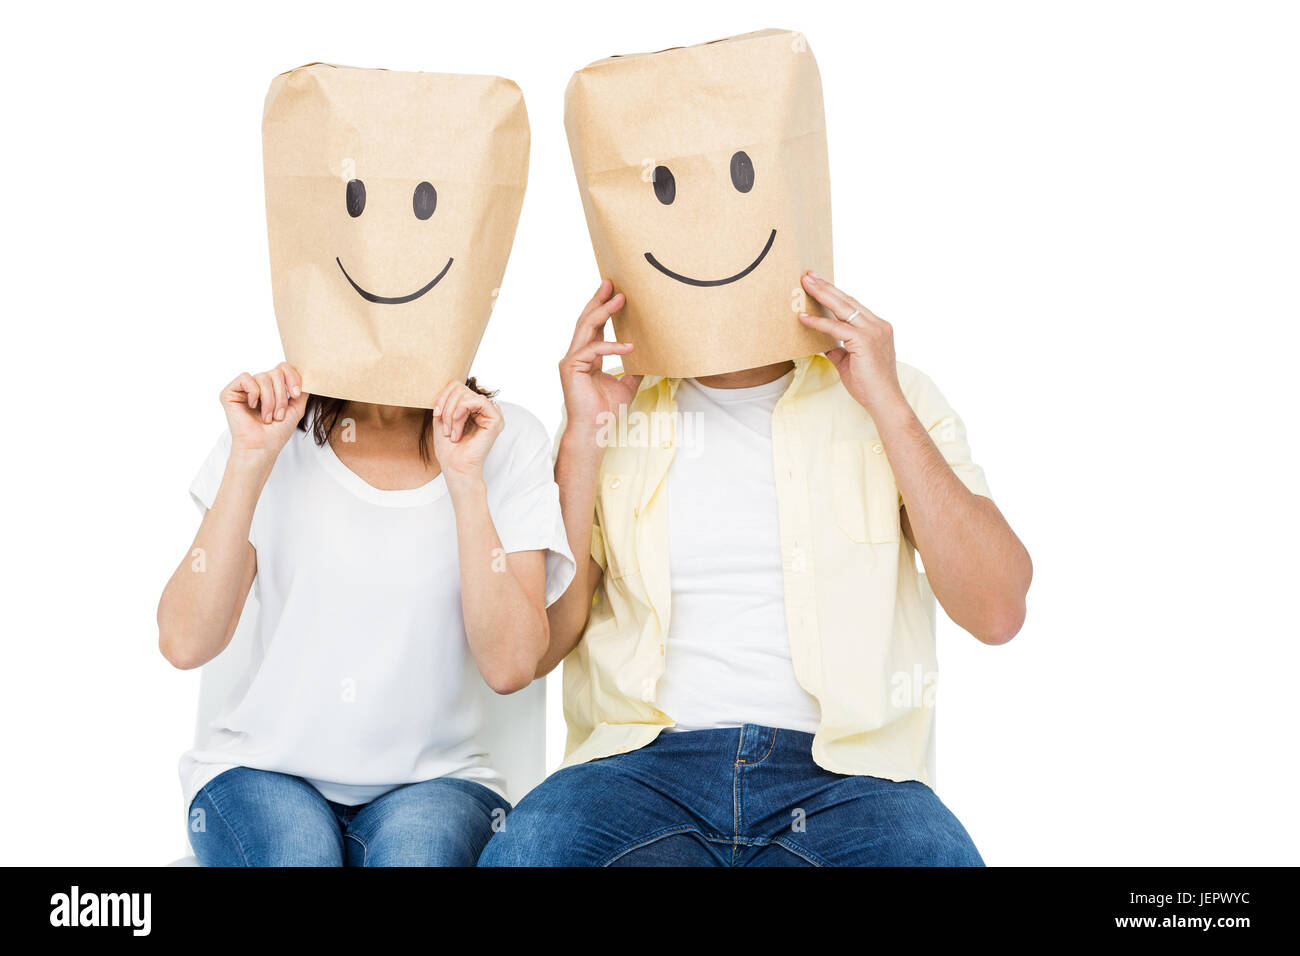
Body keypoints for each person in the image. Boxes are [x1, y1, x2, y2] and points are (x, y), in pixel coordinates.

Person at [479, 273, 1031, 866]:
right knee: (526, 852)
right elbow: (541, 648)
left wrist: (888, 403)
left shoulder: (892, 392)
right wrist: (584, 435)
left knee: (935, 858)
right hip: (636, 774)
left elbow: (997, 611)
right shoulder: (612, 410)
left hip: (850, 779)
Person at [158, 364, 573, 866]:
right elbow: (183, 642)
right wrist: (250, 458)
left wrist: (466, 482)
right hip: (261, 773)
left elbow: (510, 667)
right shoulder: (272, 429)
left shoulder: (504, 439)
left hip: (436, 785)